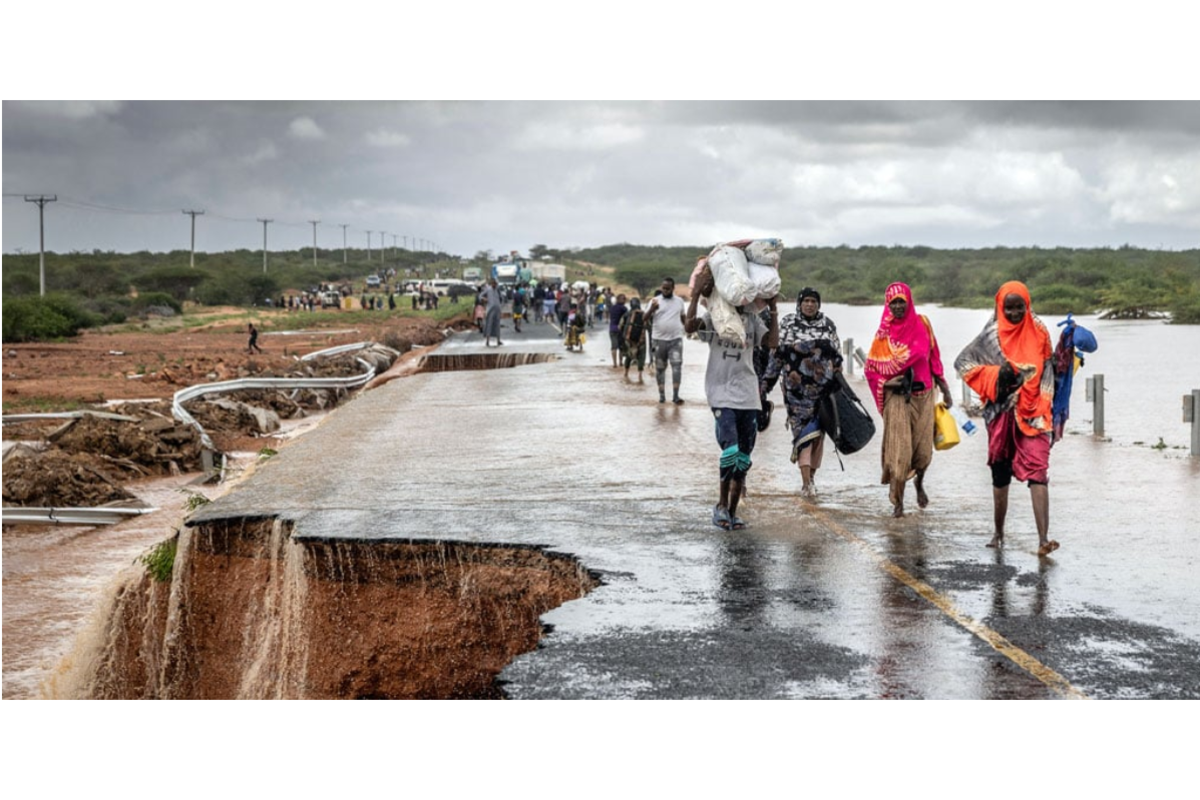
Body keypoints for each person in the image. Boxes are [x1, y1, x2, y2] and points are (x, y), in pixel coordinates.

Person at [955, 281, 1058, 555]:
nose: (1014, 313)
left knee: (1038, 470)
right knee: (1000, 472)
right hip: (1001, 412)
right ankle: (998, 533)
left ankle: (1043, 539)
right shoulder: (991, 335)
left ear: (1028, 305)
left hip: (1035, 411)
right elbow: (964, 363)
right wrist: (997, 376)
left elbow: (1049, 367)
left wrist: (1046, 401)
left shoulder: (1039, 331)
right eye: (1008, 308)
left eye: (1019, 307)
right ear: (1000, 306)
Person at [684, 265, 778, 530]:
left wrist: (773, 309)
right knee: (730, 451)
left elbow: (772, 343)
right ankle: (721, 505)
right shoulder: (715, 315)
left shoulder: (751, 319)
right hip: (721, 393)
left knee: (743, 459)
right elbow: (689, 327)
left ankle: (733, 512)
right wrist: (695, 295)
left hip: (748, 395)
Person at [863, 282, 953, 517]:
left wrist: (945, 388)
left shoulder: (923, 324)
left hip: (924, 395)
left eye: (901, 301)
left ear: (909, 302)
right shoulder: (884, 335)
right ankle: (898, 502)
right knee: (900, 452)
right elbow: (871, 370)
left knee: (923, 453)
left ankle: (919, 482)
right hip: (897, 398)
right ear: (887, 305)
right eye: (893, 302)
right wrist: (887, 383)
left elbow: (934, 357)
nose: (898, 306)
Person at [761, 287, 843, 498]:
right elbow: (776, 356)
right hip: (796, 395)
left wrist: (840, 387)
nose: (809, 305)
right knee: (804, 436)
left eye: (813, 301)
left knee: (818, 437)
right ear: (799, 303)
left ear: (818, 304)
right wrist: (765, 387)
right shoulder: (788, 324)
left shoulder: (827, 325)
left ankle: (811, 477)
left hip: (822, 393)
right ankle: (806, 483)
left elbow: (837, 358)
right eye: (806, 301)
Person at [646, 277, 688, 404]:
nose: (665, 291)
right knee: (660, 368)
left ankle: (675, 396)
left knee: (677, 367)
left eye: (668, 288)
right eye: (663, 288)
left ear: (673, 288)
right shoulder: (654, 301)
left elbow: (683, 317)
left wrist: (689, 329)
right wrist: (652, 309)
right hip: (658, 341)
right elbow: (644, 318)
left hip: (676, 339)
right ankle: (662, 396)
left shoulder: (679, 301)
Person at [621, 297, 648, 381]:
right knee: (641, 357)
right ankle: (640, 376)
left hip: (629, 340)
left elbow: (620, 325)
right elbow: (648, 326)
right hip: (641, 340)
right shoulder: (644, 314)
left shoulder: (627, 314)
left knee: (628, 357)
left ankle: (626, 374)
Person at [608, 293, 628, 368]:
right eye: (623, 299)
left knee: (614, 347)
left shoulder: (612, 308)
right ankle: (621, 362)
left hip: (612, 329)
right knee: (621, 347)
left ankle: (614, 363)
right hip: (621, 329)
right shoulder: (624, 308)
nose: (625, 300)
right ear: (618, 299)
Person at [482, 278, 503, 346]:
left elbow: (501, 299)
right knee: (489, 325)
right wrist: (484, 299)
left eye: (495, 284)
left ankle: (498, 340)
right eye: (493, 284)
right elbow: (480, 296)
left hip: (497, 309)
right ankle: (487, 341)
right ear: (491, 283)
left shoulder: (498, 290)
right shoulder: (488, 289)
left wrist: (500, 309)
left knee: (497, 325)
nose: (494, 285)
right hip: (490, 310)